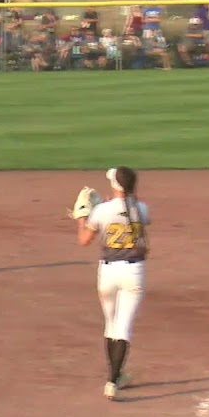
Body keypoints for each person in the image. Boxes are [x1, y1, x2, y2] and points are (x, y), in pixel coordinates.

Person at [75, 167, 150, 401]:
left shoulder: (101, 211)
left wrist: (81, 218)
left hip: (107, 273)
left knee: (110, 325)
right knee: (123, 328)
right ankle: (113, 380)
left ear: (115, 186)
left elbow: (84, 240)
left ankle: (115, 377)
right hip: (133, 273)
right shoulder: (142, 208)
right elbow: (133, 213)